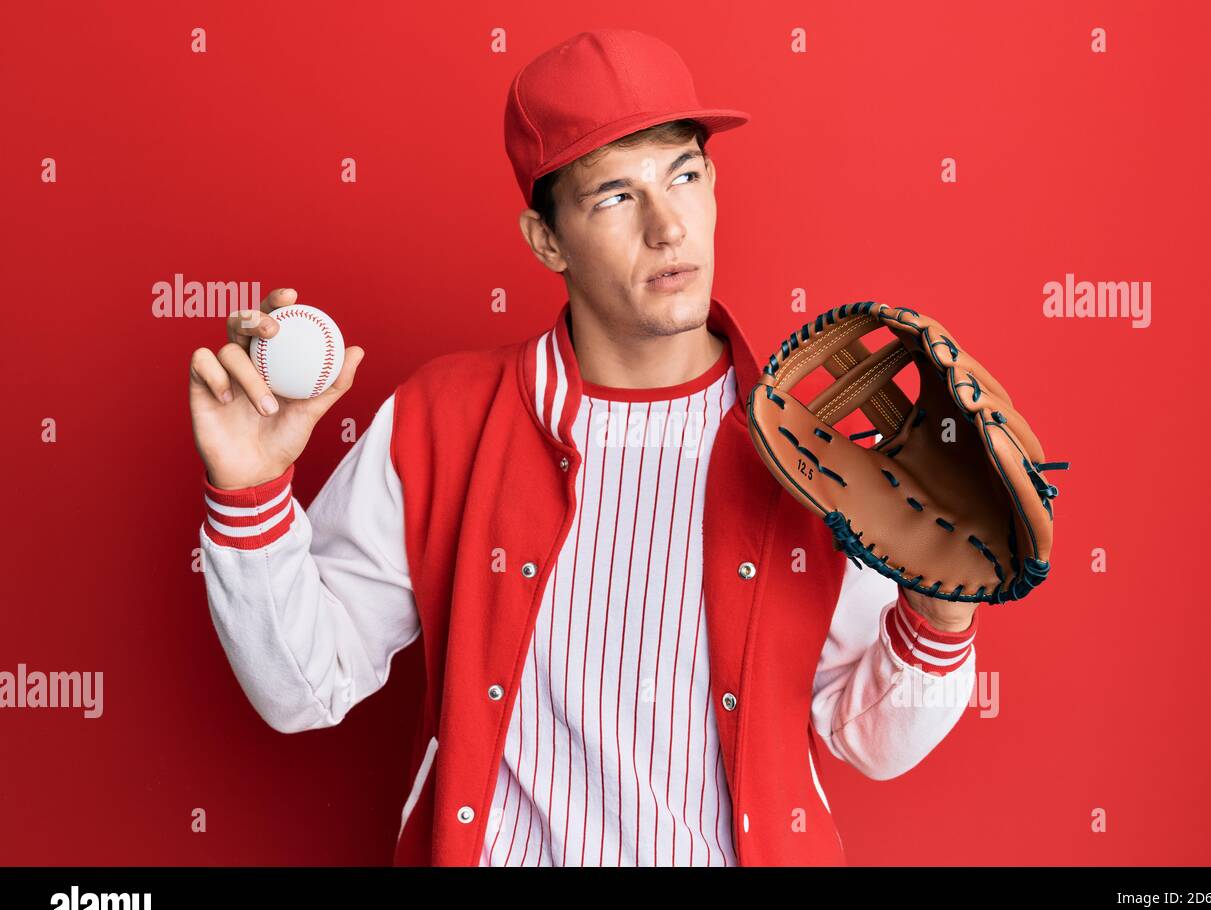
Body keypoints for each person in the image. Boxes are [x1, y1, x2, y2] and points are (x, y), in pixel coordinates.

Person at [188, 28, 979, 867]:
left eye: (683, 174)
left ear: (713, 185)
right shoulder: (440, 420)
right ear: (546, 240)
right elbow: (303, 692)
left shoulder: (813, 452)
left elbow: (871, 742)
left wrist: (940, 612)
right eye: (614, 196)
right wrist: (251, 491)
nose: (668, 226)